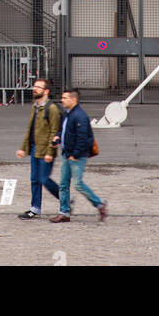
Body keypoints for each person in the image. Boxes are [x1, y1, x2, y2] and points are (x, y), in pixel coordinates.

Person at [51, 87, 108, 222]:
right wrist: (58, 138)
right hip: (68, 153)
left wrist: (75, 154)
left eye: (65, 98)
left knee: (77, 184)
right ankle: (64, 212)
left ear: (73, 99)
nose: (62, 100)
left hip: (76, 156)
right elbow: (62, 130)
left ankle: (99, 203)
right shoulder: (68, 113)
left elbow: (83, 139)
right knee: (64, 184)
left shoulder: (80, 116)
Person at [16, 76, 62, 219]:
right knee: (35, 179)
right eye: (34, 86)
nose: (35, 89)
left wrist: (50, 151)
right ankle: (35, 208)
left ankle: (65, 198)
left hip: (45, 150)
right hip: (36, 148)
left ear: (46, 91)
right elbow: (30, 128)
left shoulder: (52, 109)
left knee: (44, 179)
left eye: (38, 87)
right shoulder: (35, 107)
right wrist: (24, 148)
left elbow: (55, 132)